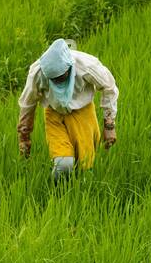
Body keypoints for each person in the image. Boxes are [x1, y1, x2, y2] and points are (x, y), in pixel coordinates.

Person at [17, 38, 119, 183]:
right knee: (64, 165)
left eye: (61, 77)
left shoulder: (86, 66)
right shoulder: (38, 72)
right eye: (53, 79)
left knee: (84, 167)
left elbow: (109, 88)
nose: (57, 81)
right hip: (54, 115)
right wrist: (24, 136)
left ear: (69, 68)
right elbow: (28, 103)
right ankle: (55, 193)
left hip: (83, 113)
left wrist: (109, 125)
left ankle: (80, 192)